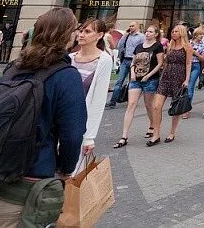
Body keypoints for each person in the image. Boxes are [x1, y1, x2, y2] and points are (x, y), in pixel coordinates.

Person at [0, 7, 85, 228]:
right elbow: (73, 135)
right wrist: (65, 170)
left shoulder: (15, 67)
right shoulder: (66, 75)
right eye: (75, 29)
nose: (77, 34)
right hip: (23, 198)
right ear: (66, 34)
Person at [68, 18, 113, 171]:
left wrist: (89, 137)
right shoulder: (69, 58)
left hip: (80, 123)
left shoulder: (104, 60)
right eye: (80, 31)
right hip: (59, 120)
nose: (81, 35)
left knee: (71, 172)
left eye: (87, 31)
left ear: (99, 35)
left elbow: (98, 100)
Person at [114, 25, 164, 149]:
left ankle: (152, 125)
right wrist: (132, 73)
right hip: (135, 79)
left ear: (156, 34)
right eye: (146, 31)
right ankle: (124, 136)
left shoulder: (158, 46)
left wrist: (149, 75)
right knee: (131, 105)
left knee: (149, 105)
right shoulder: (139, 46)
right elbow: (133, 62)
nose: (147, 33)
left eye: (150, 32)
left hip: (150, 80)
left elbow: (160, 64)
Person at [149, 25, 193, 145]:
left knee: (175, 106)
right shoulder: (170, 46)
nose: (173, 33)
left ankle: (172, 132)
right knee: (157, 106)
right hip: (166, 77)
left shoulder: (187, 47)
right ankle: (156, 134)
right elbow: (166, 62)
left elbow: (188, 64)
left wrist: (187, 80)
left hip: (179, 77)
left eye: (176, 31)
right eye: (172, 31)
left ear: (182, 33)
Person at [106, 22, 145, 109]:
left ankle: (130, 101)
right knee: (119, 81)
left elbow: (144, 48)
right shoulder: (127, 35)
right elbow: (119, 46)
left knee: (133, 82)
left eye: (132, 26)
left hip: (135, 61)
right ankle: (113, 102)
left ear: (137, 26)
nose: (130, 27)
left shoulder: (141, 37)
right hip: (125, 60)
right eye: (130, 26)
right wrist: (124, 36)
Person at [185, 28, 204, 118]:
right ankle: (182, 105)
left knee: (190, 86)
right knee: (184, 86)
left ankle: (186, 109)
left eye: (203, 35)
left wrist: (195, 53)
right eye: (200, 35)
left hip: (196, 65)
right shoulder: (188, 43)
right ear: (195, 35)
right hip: (187, 65)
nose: (202, 36)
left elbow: (203, 58)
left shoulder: (203, 45)